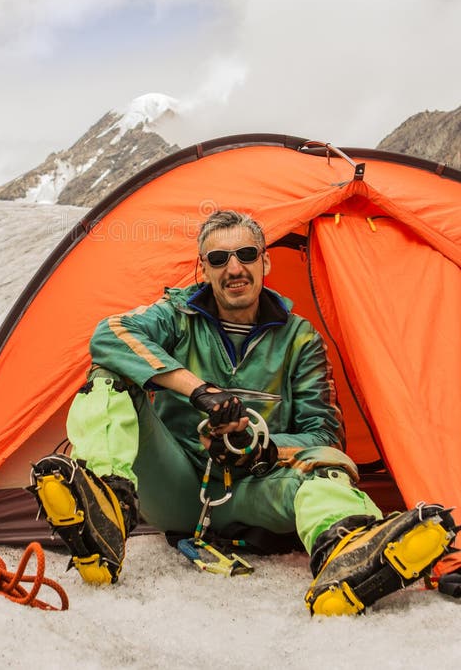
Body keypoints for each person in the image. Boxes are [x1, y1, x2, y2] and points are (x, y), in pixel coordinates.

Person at [30, 210, 456, 615]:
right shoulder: (178, 316)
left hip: (256, 488)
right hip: (176, 483)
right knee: (109, 370)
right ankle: (106, 506)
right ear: (204, 269)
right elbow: (111, 334)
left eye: (246, 254)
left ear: (265, 261)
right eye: (219, 258)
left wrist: (255, 446)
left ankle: (347, 552)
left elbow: (324, 435)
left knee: (327, 467)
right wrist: (200, 392)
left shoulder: (299, 339)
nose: (234, 268)